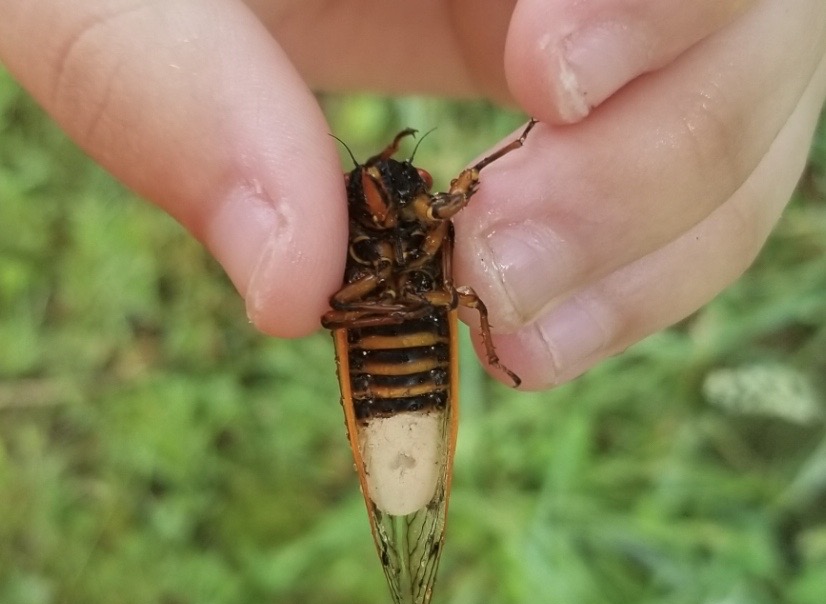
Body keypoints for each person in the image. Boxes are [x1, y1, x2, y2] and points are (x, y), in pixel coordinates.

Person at [1, 1, 824, 390]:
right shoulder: (405, 229)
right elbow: (338, 298)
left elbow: (445, 218)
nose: (400, 193)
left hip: (400, 332)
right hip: (405, 335)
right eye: (383, 188)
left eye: (408, 185)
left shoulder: (433, 218)